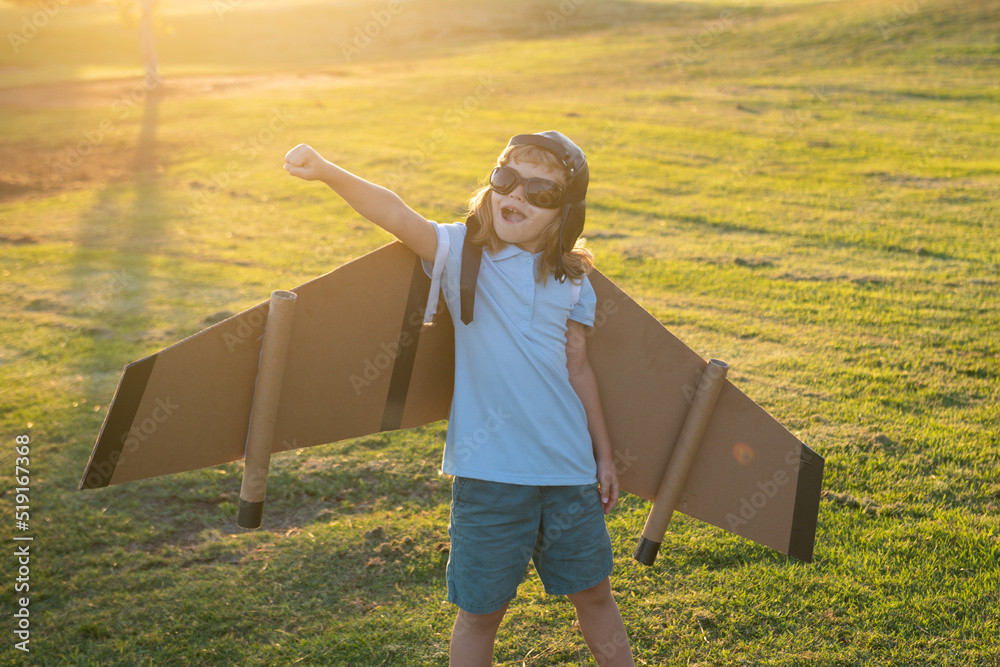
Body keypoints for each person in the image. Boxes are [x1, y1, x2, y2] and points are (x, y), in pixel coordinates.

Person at [284, 132, 635, 666]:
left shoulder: (572, 281)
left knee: (594, 595)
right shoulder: (463, 257)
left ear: (564, 213)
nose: (516, 196)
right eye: (506, 179)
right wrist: (329, 170)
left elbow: (579, 369)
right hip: (490, 474)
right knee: (479, 614)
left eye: (540, 192)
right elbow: (398, 215)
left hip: (567, 472)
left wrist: (603, 456)